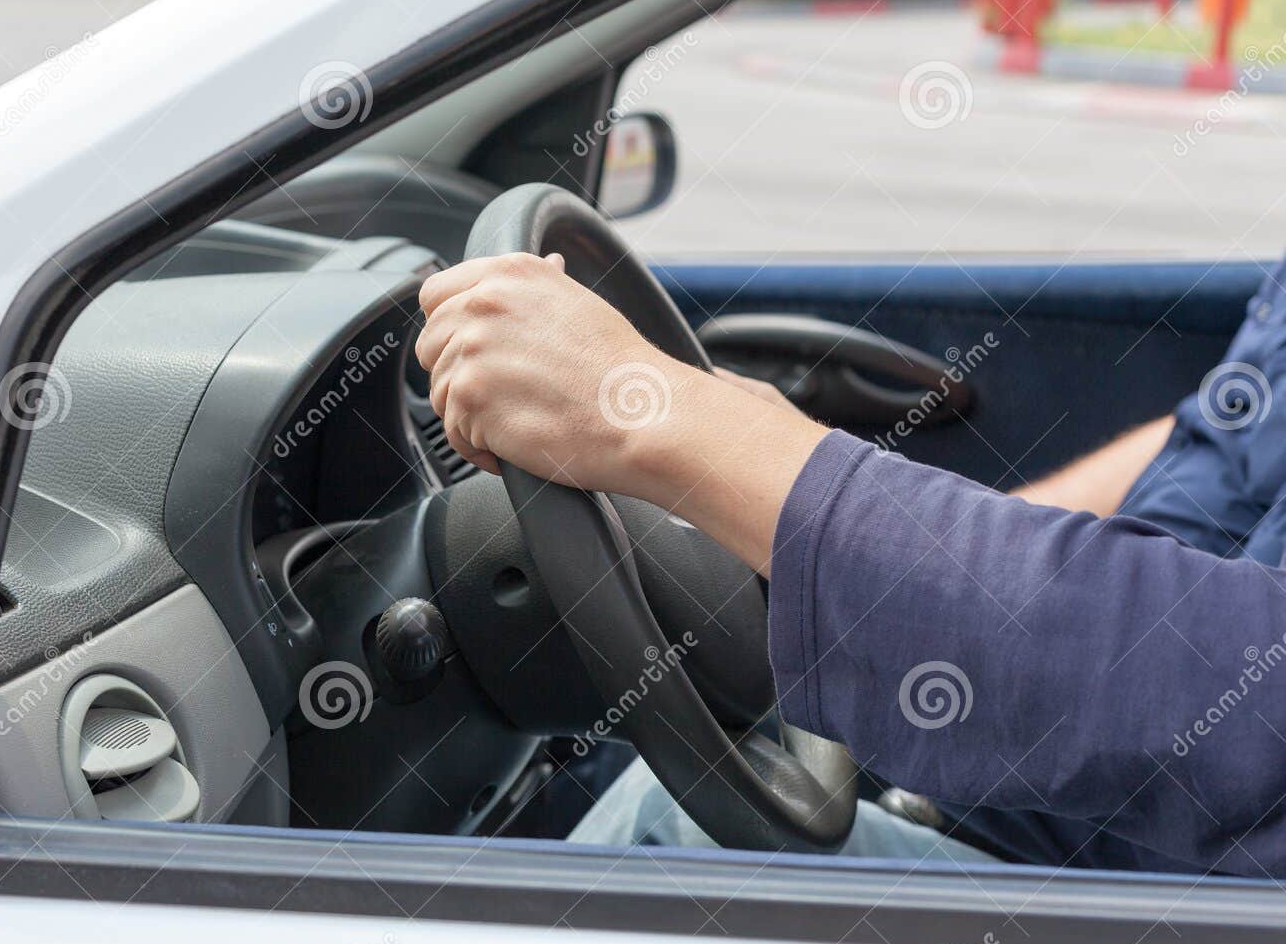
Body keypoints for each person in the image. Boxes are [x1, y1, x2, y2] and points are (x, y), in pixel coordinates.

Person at [414, 251, 1286, 876]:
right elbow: (1219, 454)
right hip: (1104, 818)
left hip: (1193, 939)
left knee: (668, 832)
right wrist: (778, 497)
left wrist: (672, 428)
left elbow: (1247, 704)